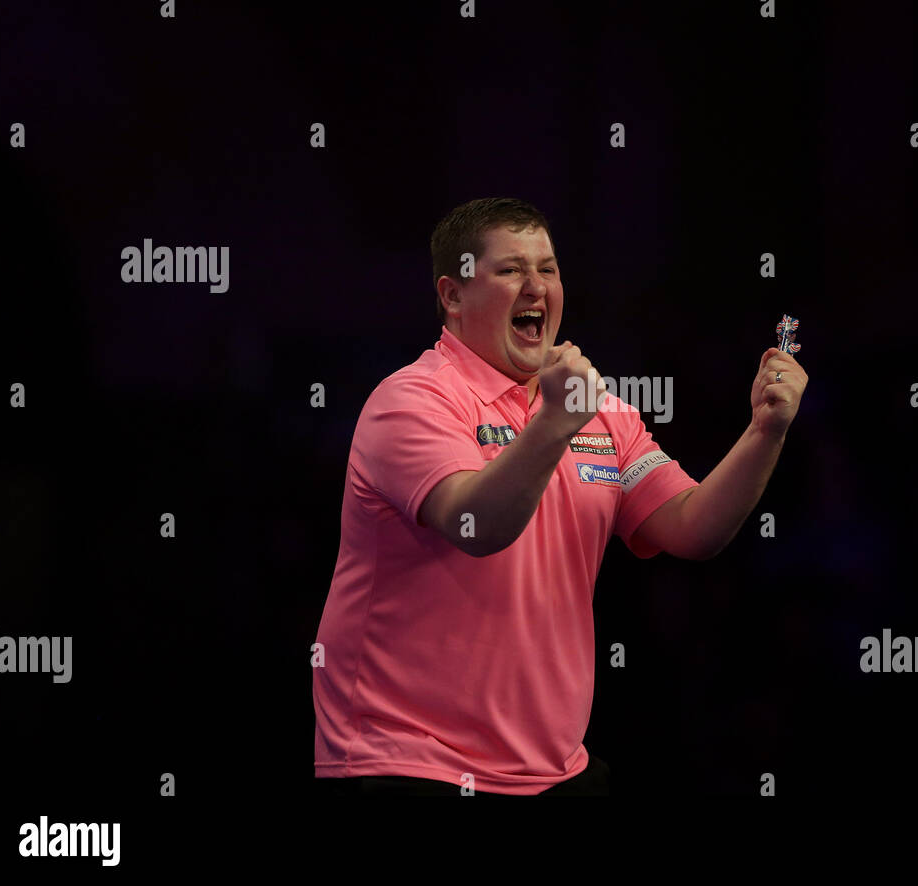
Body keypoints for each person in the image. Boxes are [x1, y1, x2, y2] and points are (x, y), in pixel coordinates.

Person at [312, 197, 807, 796]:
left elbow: (694, 528)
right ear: (452, 296)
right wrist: (555, 422)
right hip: (409, 761)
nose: (536, 286)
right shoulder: (409, 402)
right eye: (511, 270)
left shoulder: (602, 415)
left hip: (554, 771)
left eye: (547, 269)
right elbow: (477, 526)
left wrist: (765, 432)